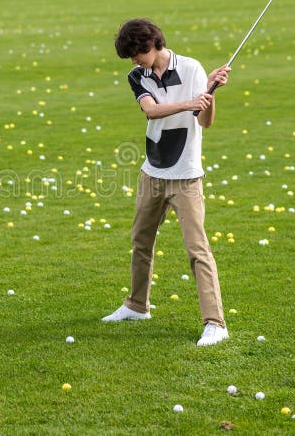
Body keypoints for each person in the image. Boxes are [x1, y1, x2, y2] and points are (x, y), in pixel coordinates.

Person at [102, 18, 230, 347]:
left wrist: (209, 95)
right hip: (153, 173)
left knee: (197, 249)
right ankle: (137, 305)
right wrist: (191, 102)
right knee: (140, 241)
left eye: (135, 53)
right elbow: (151, 111)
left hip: (186, 177)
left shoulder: (191, 69)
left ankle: (215, 323)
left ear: (151, 44)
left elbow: (205, 121)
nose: (132, 61)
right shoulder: (137, 76)